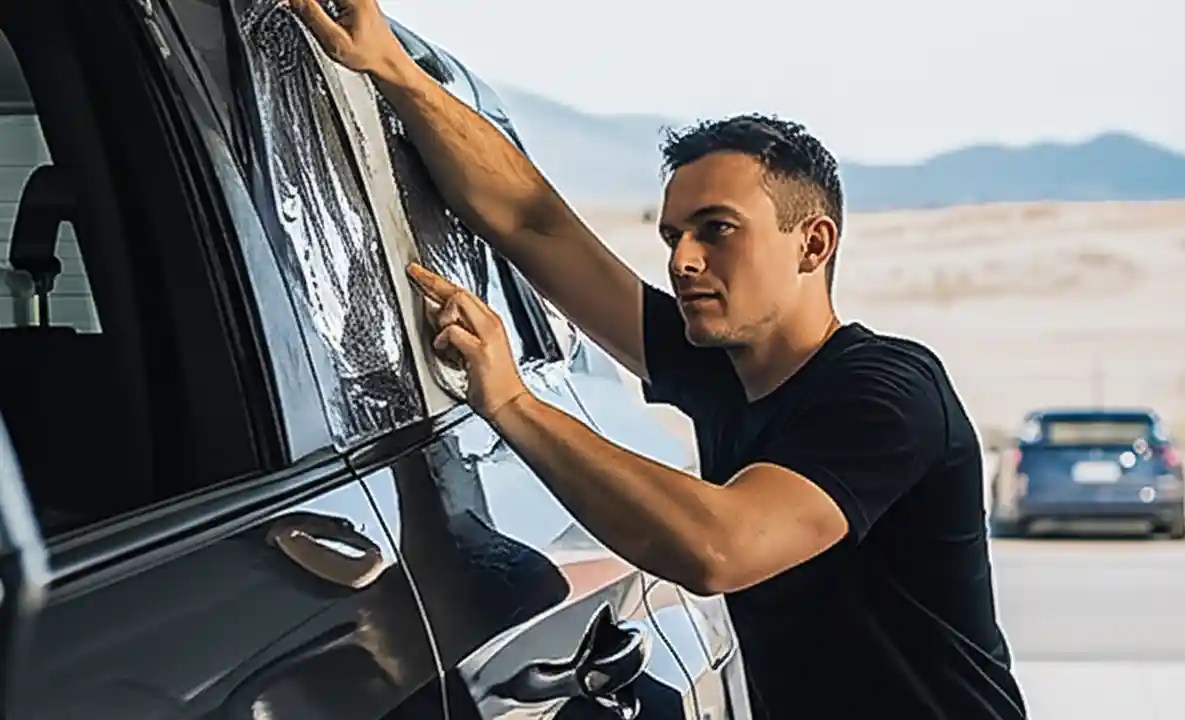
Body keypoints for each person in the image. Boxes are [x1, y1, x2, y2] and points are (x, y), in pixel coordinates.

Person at [288, 1, 1029, 717]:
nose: (683, 260)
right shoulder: (722, 363)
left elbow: (718, 546)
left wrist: (511, 402)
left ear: (813, 244)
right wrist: (391, 67)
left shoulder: (889, 392)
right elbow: (536, 225)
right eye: (674, 235)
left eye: (717, 229)